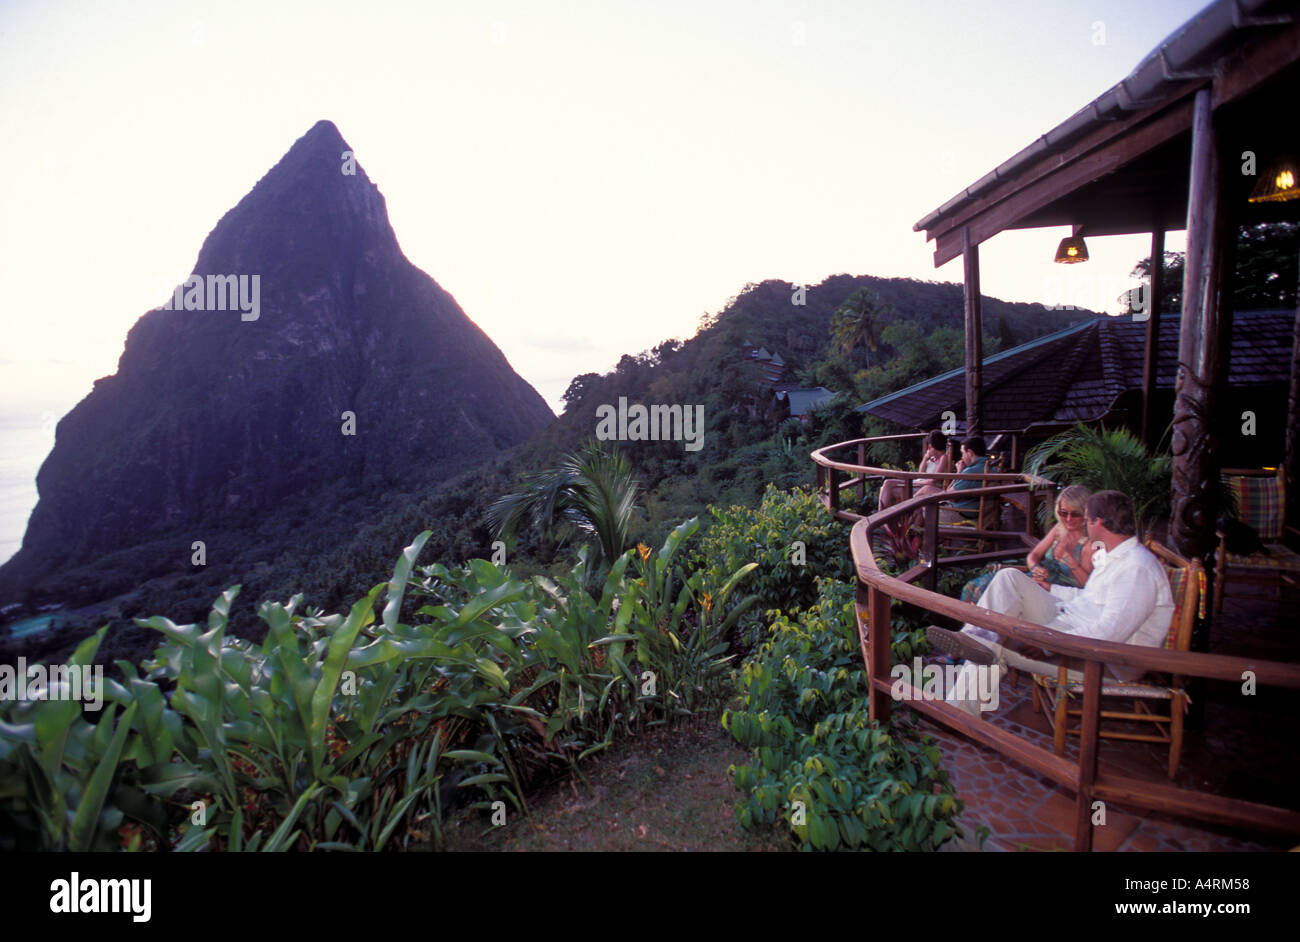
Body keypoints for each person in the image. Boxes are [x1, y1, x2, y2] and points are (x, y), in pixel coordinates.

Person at [928, 490, 1174, 715]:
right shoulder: (1113, 556)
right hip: (1069, 623)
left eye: (1086, 518)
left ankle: (958, 711)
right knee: (1009, 578)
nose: (1084, 524)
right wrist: (1050, 588)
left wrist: (1049, 644)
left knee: (993, 645)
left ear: (1098, 522)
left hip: (1103, 662)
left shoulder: (1137, 569)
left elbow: (1108, 634)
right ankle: (974, 638)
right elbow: (1088, 598)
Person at [959, 484, 1096, 603]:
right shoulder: (1059, 529)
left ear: (1086, 513)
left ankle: (989, 630)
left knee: (998, 594)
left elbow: (1090, 586)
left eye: (1075, 514)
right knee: (972, 588)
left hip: (1057, 594)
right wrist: (1035, 567)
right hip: (1037, 582)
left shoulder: (1091, 543)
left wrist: (1069, 559)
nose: (1068, 518)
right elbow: (1034, 555)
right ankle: (974, 631)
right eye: (1063, 512)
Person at [878, 430, 949, 513]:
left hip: (923, 488)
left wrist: (915, 483)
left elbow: (933, 481)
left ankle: (881, 518)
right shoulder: (933, 457)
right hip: (918, 484)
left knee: (886, 486)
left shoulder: (943, 458)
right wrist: (926, 458)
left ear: (931, 445)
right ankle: (880, 516)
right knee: (887, 484)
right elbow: (920, 474)